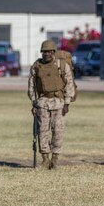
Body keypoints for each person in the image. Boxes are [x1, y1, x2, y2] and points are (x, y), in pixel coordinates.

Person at [28, 40, 75, 170]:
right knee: (42, 132)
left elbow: (69, 83)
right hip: (42, 103)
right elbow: (31, 86)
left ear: (53, 52)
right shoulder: (36, 66)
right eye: (44, 52)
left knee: (58, 132)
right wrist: (33, 103)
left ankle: (54, 160)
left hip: (59, 103)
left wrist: (67, 103)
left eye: (49, 51)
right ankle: (45, 160)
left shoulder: (61, 65)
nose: (46, 54)